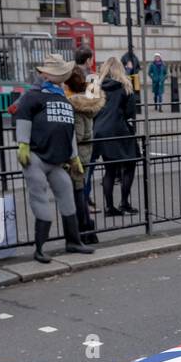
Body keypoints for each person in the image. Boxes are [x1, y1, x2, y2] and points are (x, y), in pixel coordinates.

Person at [15, 54, 92, 263]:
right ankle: (39, 248)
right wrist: (23, 143)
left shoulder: (62, 98)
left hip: (57, 160)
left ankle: (73, 241)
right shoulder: (34, 95)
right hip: (36, 157)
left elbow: (68, 131)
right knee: (40, 200)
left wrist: (74, 157)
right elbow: (23, 116)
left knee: (67, 194)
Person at [94, 56, 140, 216]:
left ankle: (109, 207)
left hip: (99, 130)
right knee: (130, 164)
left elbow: (90, 109)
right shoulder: (125, 86)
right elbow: (130, 112)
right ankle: (124, 203)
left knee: (110, 169)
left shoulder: (95, 86)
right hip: (118, 129)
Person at [65, 66, 104, 245]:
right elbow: (94, 87)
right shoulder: (89, 102)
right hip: (86, 151)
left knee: (77, 193)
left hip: (78, 154)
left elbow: (78, 135)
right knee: (80, 191)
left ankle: (85, 229)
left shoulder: (74, 104)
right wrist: (93, 79)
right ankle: (88, 230)